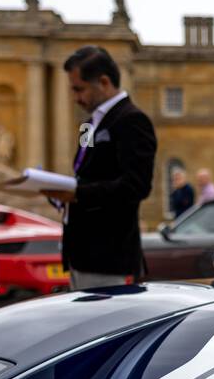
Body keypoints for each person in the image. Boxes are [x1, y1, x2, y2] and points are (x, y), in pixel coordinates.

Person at [44, 45, 156, 290]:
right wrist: (62, 194)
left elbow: (136, 186)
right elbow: (82, 174)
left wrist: (77, 193)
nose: (75, 98)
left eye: (79, 89)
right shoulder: (88, 124)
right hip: (80, 256)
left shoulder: (132, 120)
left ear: (104, 82)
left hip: (109, 258)